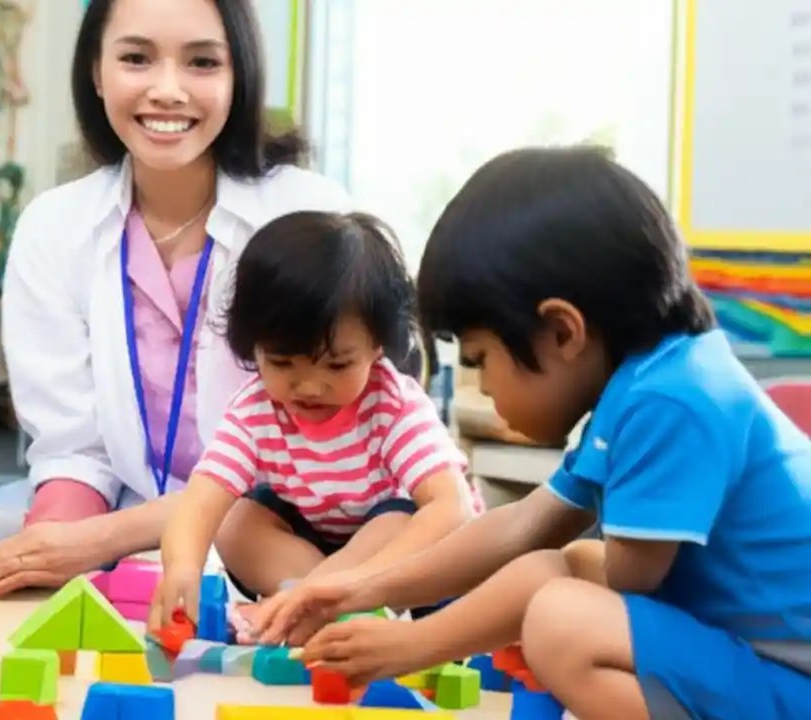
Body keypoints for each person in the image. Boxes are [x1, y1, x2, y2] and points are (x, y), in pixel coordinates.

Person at [248, 146, 811, 719]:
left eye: (479, 357)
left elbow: (621, 579)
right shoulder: (649, 384)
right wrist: (362, 587)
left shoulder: (670, 401)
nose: (484, 386)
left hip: (789, 680)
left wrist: (415, 643)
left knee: (559, 617)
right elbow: (521, 529)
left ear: (562, 332)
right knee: (555, 579)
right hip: (754, 664)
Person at [0, 0, 388, 598]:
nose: (168, 90)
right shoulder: (55, 226)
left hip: (282, 521)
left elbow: (316, 450)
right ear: (97, 73)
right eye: (135, 58)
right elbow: (74, 450)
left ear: (240, 76)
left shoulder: (309, 215)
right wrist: (51, 543)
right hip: (121, 509)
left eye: (202, 62)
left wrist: (101, 540)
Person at [149, 212, 476, 630]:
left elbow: (452, 508)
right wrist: (181, 566)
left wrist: (350, 583)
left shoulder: (393, 405)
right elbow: (200, 502)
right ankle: (313, 604)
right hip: (309, 552)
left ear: (377, 346)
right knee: (236, 523)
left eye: (337, 366)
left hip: (395, 561)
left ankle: (322, 600)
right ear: (254, 347)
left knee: (399, 519)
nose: (309, 387)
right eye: (283, 362)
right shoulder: (254, 410)